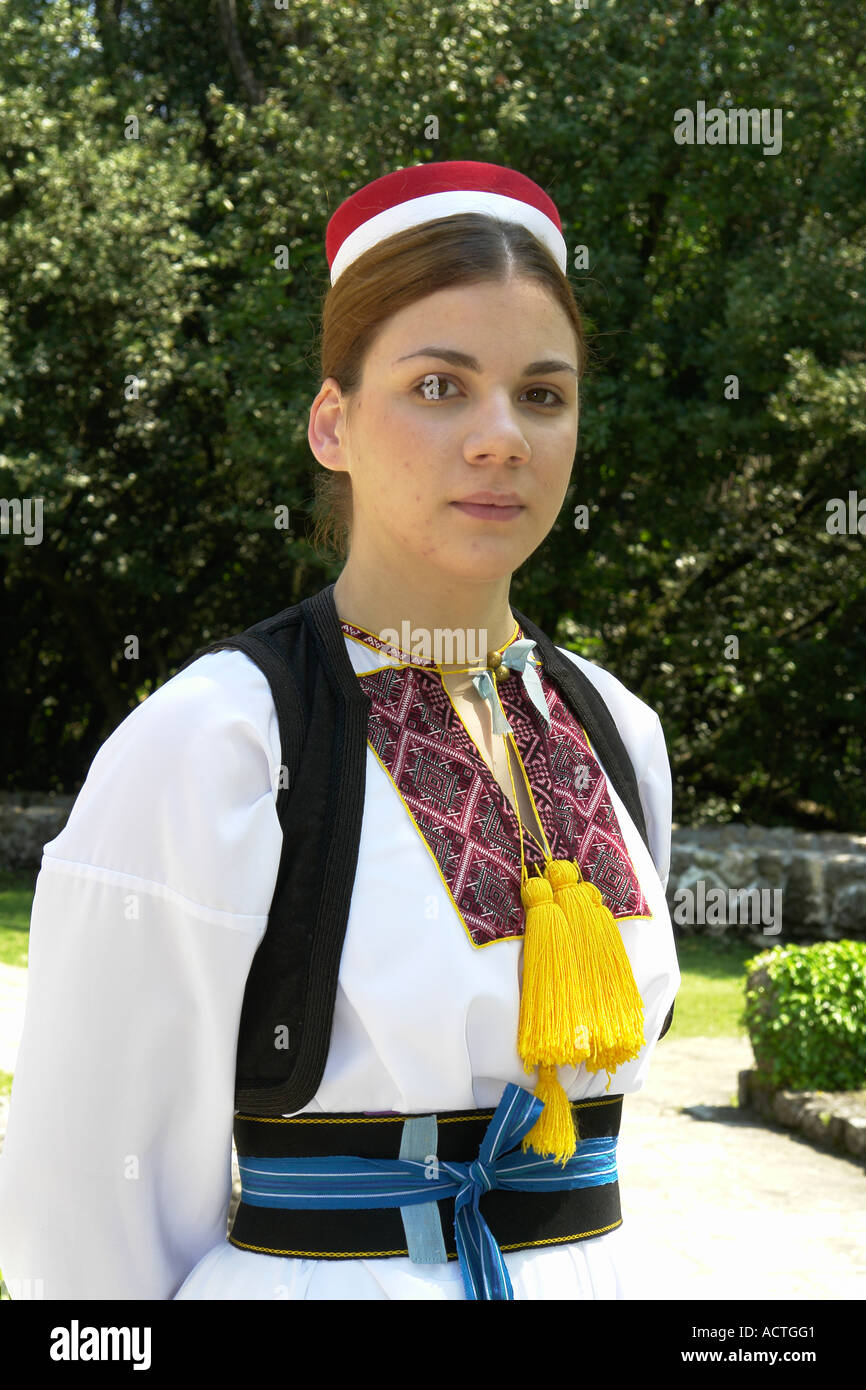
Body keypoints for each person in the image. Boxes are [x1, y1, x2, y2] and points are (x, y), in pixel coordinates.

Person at [0, 161, 679, 1301]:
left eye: (542, 394)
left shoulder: (617, 730)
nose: (500, 437)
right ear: (333, 423)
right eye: (438, 386)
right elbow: (85, 1216)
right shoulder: (220, 740)